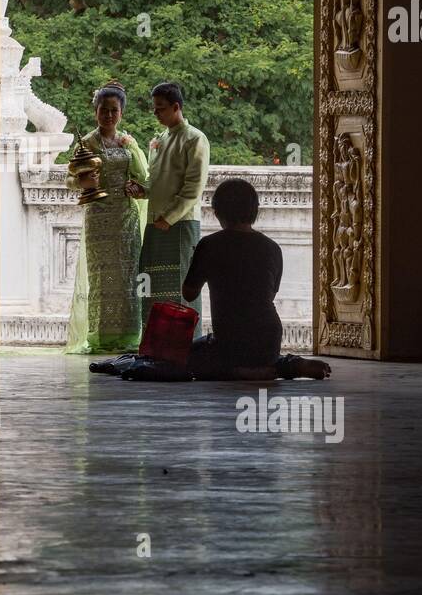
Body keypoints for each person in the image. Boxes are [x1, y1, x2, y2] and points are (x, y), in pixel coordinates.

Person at [182, 177, 330, 380]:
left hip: (229, 342)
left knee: (183, 359)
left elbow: (189, 294)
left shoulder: (209, 245)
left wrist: (198, 262)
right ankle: (287, 365)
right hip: (269, 339)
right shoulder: (272, 247)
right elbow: (269, 293)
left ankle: (240, 372)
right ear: (255, 212)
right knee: (259, 357)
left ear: (217, 212)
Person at [66, 80, 148, 353]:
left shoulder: (128, 142)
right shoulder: (87, 142)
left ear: (121, 112)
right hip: (99, 217)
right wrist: (84, 183)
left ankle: (128, 336)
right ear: (96, 111)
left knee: (127, 276)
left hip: (125, 216)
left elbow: (142, 176)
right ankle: (101, 337)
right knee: (103, 277)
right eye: (104, 110)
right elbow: (70, 180)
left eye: (114, 110)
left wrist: (134, 187)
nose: (109, 115)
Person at [130, 81, 209, 337]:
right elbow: (155, 182)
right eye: (154, 109)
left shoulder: (195, 139)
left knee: (182, 285)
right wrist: (141, 190)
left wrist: (170, 217)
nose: (156, 113)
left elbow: (193, 188)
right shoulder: (159, 140)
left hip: (181, 223)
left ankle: (187, 344)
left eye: (160, 109)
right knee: (153, 286)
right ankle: (157, 342)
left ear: (176, 107)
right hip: (156, 222)